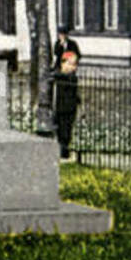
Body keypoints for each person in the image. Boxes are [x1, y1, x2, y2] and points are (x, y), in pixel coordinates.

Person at [52, 25, 81, 160]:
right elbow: (56, 54)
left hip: (67, 106)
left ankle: (64, 148)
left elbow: (77, 56)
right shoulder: (58, 44)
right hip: (60, 106)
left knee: (66, 127)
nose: (61, 36)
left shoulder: (72, 44)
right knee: (59, 125)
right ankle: (61, 147)